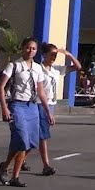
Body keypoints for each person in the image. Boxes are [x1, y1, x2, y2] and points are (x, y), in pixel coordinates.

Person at [0, 38, 40, 188]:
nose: (30, 51)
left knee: (30, 143)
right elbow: (1, 86)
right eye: (27, 47)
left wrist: (46, 110)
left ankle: (9, 169)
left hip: (32, 106)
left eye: (33, 48)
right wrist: (4, 107)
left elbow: (40, 90)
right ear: (22, 48)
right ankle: (12, 173)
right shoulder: (14, 65)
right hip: (17, 105)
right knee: (22, 139)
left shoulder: (38, 68)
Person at [30, 41, 78, 176]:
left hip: (51, 104)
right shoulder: (39, 69)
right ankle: (46, 164)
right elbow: (39, 91)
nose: (53, 58)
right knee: (42, 136)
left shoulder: (56, 70)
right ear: (44, 55)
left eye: (55, 55)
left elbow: (77, 66)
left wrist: (68, 54)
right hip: (40, 104)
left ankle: (18, 160)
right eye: (51, 55)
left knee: (38, 136)